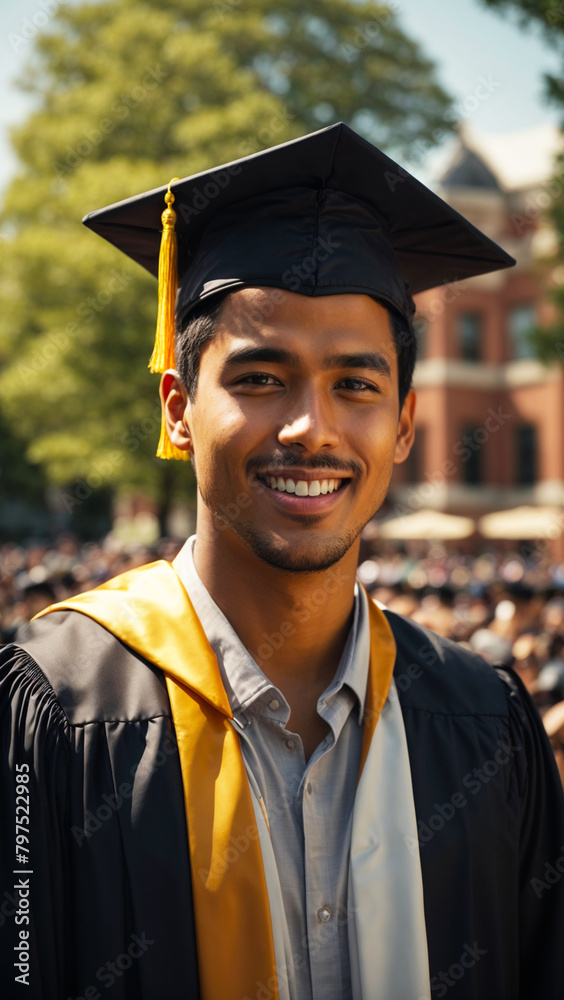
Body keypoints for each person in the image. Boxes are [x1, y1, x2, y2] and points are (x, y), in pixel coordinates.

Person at [1, 123, 563, 1000]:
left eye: (356, 385)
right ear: (179, 408)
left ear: (404, 425)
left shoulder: (483, 723)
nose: (312, 428)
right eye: (260, 379)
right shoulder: (55, 714)